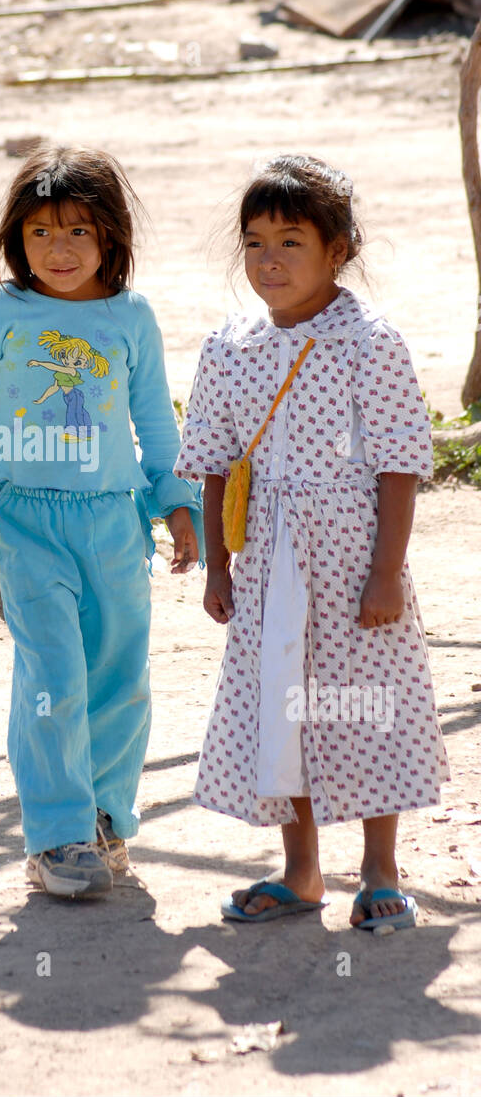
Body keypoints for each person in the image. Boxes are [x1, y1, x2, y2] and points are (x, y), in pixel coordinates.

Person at [0, 144, 204, 898]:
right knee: (51, 676)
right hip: (26, 522)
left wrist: (176, 503)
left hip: (114, 524)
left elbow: (153, 418)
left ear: (110, 234)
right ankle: (56, 837)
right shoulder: (1, 311)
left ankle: (106, 816)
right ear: (17, 238)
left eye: (78, 231)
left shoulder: (132, 317)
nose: (59, 248)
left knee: (120, 677)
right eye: (40, 232)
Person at [176, 154, 448, 930]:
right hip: (266, 561)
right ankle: (302, 872)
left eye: (291, 241)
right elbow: (220, 466)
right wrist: (218, 568)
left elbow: (399, 466)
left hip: (353, 558)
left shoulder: (370, 343)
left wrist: (386, 575)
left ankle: (381, 870)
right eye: (255, 240)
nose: (269, 259)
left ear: (338, 251)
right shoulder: (228, 347)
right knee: (279, 708)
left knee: (365, 708)